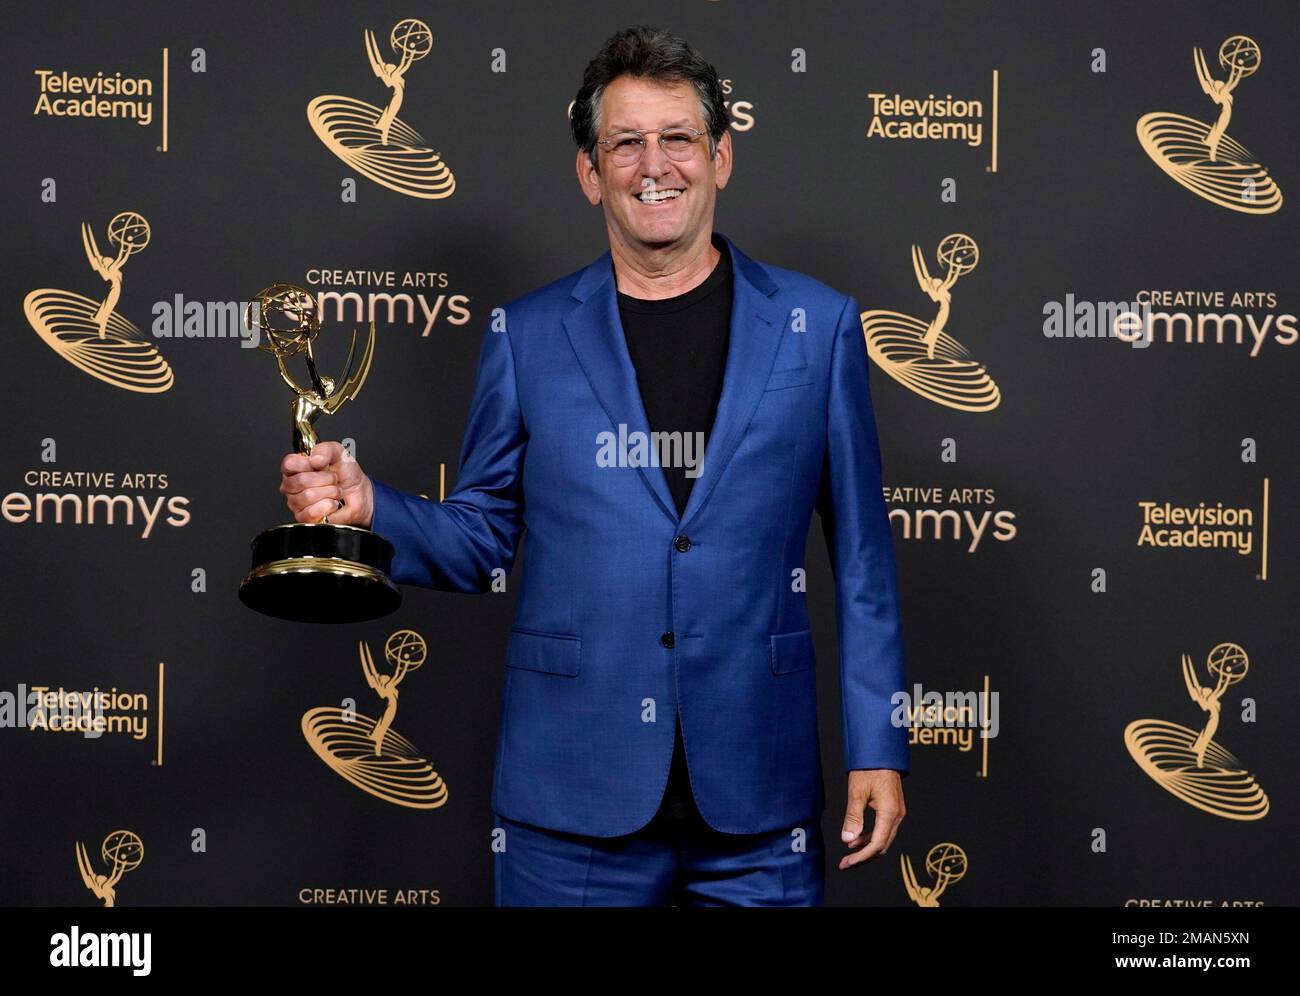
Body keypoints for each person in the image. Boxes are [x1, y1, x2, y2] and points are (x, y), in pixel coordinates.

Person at [280, 24, 909, 906]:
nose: (655, 164)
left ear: (721, 157)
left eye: (679, 138)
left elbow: (865, 564)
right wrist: (369, 507)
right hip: (567, 809)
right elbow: (482, 537)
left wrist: (879, 743)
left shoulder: (820, 325)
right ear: (590, 173)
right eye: (625, 143)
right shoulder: (527, 334)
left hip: (759, 809)